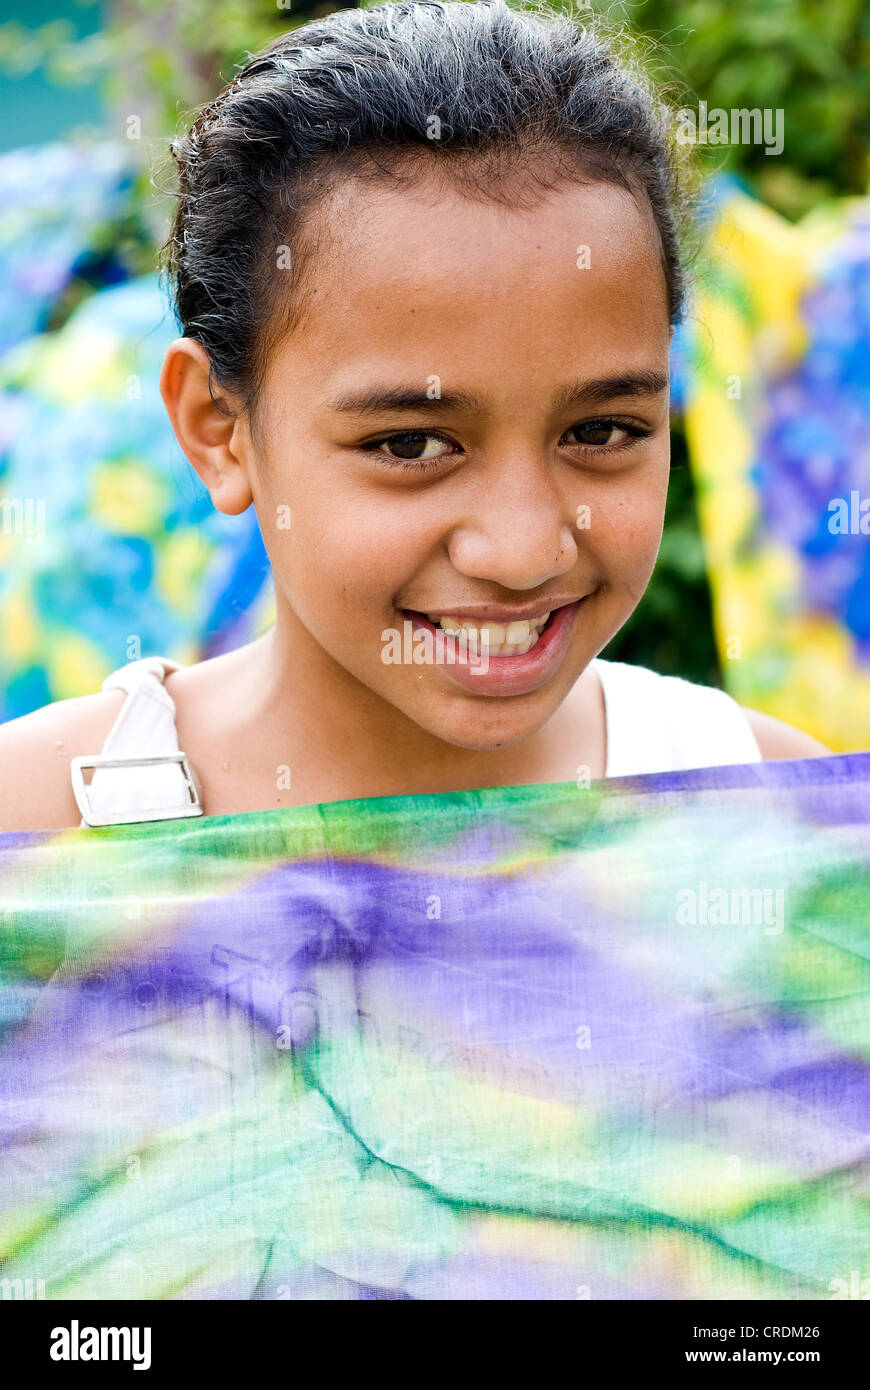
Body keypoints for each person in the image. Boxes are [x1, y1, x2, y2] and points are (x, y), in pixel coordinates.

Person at [0, 0, 829, 831]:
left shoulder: (782, 818)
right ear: (219, 428)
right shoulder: (42, 829)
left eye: (601, 432)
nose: (522, 551)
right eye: (411, 443)